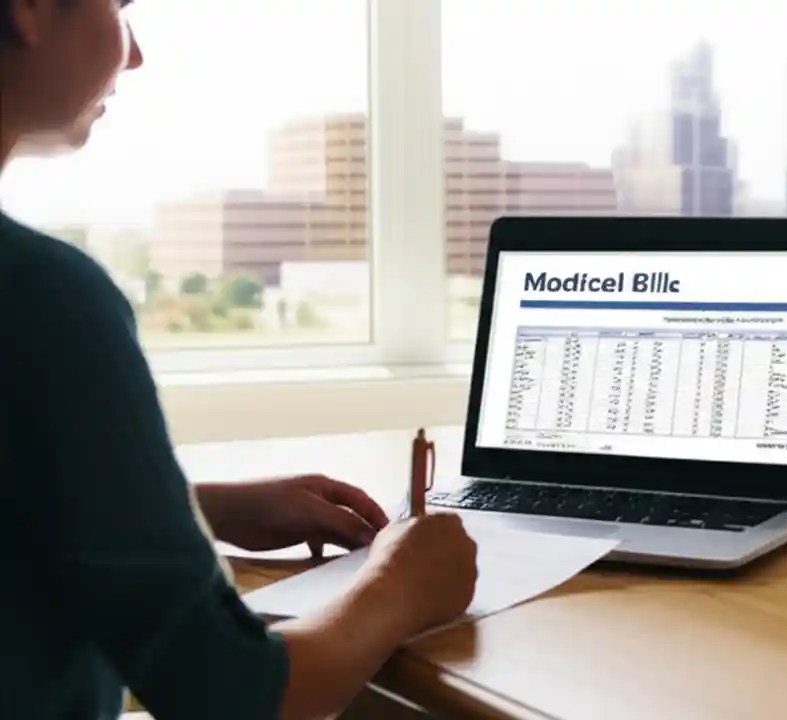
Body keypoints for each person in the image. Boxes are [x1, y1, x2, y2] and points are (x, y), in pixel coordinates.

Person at [0, 1, 479, 718]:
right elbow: (228, 694)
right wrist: (399, 587)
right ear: (30, 10)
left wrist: (192, 510)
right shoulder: (45, 301)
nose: (134, 56)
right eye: (118, 5)